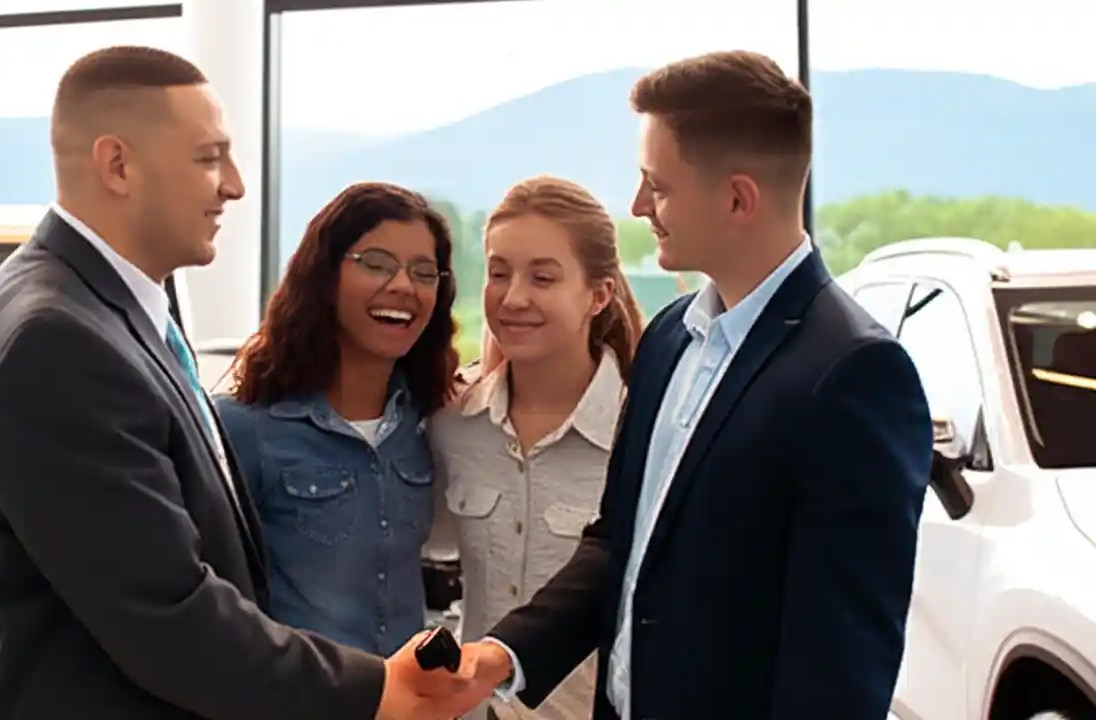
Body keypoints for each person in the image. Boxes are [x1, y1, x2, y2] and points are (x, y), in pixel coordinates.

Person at [0, 46, 475, 719]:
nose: (235, 186)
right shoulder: (57, 340)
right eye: (208, 158)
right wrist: (377, 691)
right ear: (117, 165)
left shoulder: (105, 308)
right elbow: (166, 611)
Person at [454, 50, 934, 719]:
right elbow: (620, 542)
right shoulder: (669, 337)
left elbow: (842, 665)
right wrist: (506, 655)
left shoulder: (855, 375)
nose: (638, 206)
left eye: (658, 187)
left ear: (738, 199)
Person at [214, 182, 458, 656]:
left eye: (423, 272)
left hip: (409, 692)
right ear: (324, 276)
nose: (403, 286)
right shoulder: (243, 427)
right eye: (377, 264)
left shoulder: (434, 423)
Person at [429, 176, 642, 720]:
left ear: (598, 295)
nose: (513, 297)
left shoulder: (643, 433)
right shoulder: (452, 424)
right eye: (499, 273)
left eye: (542, 277)